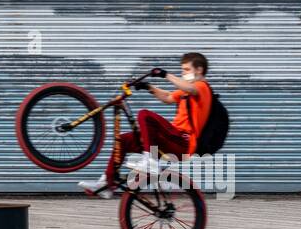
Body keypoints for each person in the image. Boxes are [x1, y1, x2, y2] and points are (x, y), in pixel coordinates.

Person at [79, 52, 213, 197]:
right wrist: (147, 86)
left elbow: (190, 88)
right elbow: (167, 97)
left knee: (145, 115)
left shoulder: (201, 87)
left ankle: (151, 161)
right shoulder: (187, 90)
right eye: (182, 70)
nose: (183, 73)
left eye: (186, 70)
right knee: (123, 141)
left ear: (199, 70)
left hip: (182, 141)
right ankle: (106, 183)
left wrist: (165, 74)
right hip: (171, 139)